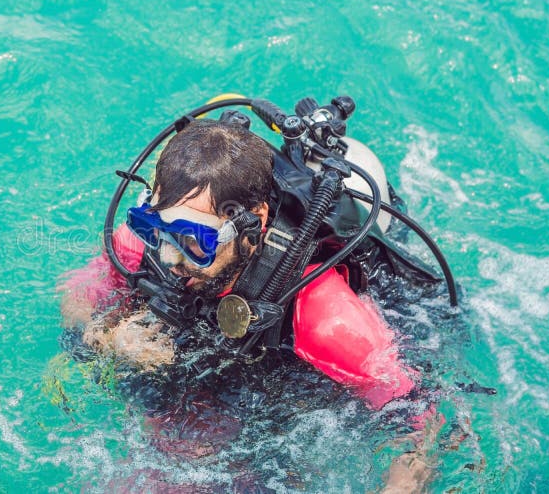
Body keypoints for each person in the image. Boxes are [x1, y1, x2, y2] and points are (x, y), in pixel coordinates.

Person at [59, 95, 455, 491]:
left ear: (254, 222)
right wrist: (106, 336)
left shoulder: (322, 314)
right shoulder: (147, 242)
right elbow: (77, 298)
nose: (167, 256)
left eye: (193, 241)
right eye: (155, 229)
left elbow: (420, 420)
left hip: (291, 385)